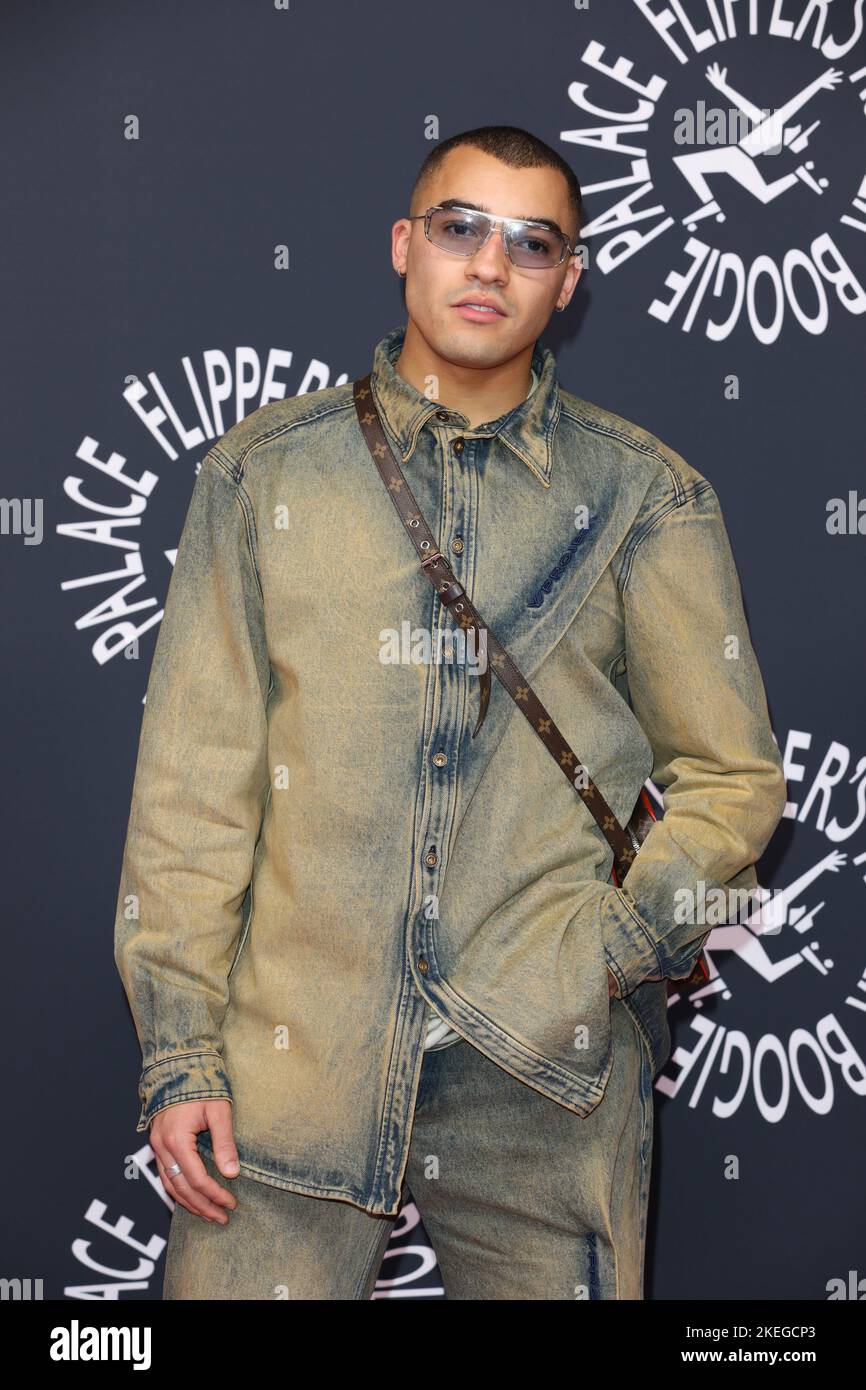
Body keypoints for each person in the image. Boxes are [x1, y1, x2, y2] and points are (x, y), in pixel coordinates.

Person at [114, 124, 787, 1300]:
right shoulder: (261, 475)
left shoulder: (645, 495)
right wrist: (181, 1053)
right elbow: (191, 792)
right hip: (293, 1060)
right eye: (458, 228)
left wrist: (615, 949)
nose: (489, 265)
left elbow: (730, 778)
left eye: (532, 243)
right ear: (402, 245)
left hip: (546, 1069)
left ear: (568, 282)